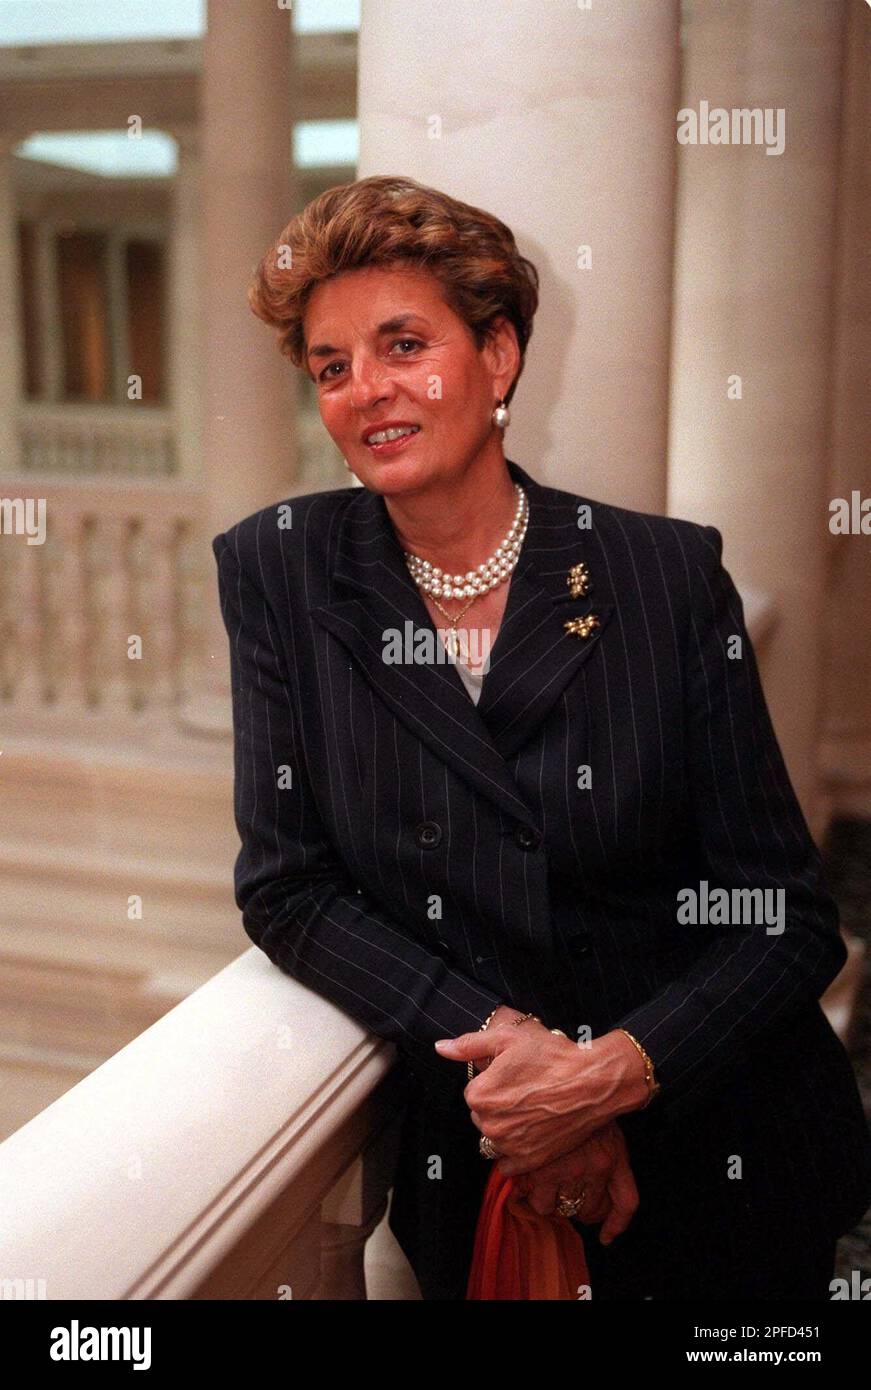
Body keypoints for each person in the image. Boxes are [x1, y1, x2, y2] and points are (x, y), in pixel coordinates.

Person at [212, 174, 871, 1301]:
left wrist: (614, 1073)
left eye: (404, 343)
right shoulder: (279, 567)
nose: (367, 389)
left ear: (499, 357)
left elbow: (787, 915)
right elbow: (288, 887)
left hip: (725, 1145)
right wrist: (526, 1071)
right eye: (332, 366)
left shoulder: (658, 575)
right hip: (489, 1169)